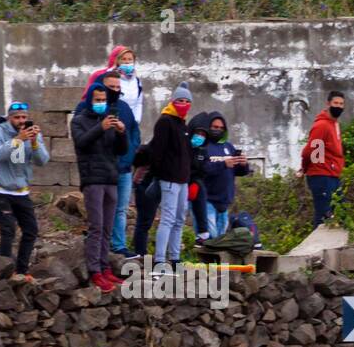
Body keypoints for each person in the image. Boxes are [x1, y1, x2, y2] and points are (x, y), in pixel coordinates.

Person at [70, 76, 128, 293]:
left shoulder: (109, 118)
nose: (101, 102)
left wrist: (121, 132)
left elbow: (121, 150)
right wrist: (100, 128)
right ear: (89, 100)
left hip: (111, 178)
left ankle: (105, 267)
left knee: (107, 227)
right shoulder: (79, 120)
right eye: (97, 99)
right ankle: (94, 269)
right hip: (92, 179)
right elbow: (81, 143)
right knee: (96, 226)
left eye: (103, 99)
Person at [0, 100, 49, 282]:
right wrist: (18, 140)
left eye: (24, 117)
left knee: (31, 229)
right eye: (17, 117)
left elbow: (42, 160)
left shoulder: (32, 133)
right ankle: (4, 270)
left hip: (20, 189)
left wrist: (34, 143)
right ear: (9, 117)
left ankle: (22, 270)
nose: (21, 121)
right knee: (8, 228)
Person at [87, 70, 141, 258]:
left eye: (118, 87)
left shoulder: (124, 108)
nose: (115, 91)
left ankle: (118, 245)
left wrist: (130, 153)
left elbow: (134, 132)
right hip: (101, 170)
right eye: (111, 87)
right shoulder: (91, 110)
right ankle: (101, 247)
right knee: (100, 210)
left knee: (121, 209)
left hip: (123, 168)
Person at [148, 83, 194, 275]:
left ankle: (174, 258)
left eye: (186, 101)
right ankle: (159, 260)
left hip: (182, 179)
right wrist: (161, 174)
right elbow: (157, 152)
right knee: (167, 218)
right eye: (180, 101)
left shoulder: (182, 123)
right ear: (172, 102)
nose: (183, 104)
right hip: (169, 179)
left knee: (179, 219)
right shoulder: (165, 122)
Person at [298, 90, 345, 226]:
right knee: (324, 216)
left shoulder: (334, 124)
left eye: (341, 104)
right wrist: (304, 168)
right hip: (322, 175)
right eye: (336, 103)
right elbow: (311, 151)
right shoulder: (322, 125)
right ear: (328, 104)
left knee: (339, 212)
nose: (339, 106)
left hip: (332, 175)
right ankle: (316, 246)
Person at [201, 112, 249, 236]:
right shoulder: (203, 146)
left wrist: (243, 165)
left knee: (221, 239)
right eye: (215, 127)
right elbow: (202, 169)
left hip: (225, 201)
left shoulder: (228, 146)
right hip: (207, 200)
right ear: (208, 127)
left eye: (221, 128)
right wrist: (223, 164)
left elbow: (238, 171)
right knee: (211, 238)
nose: (218, 130)